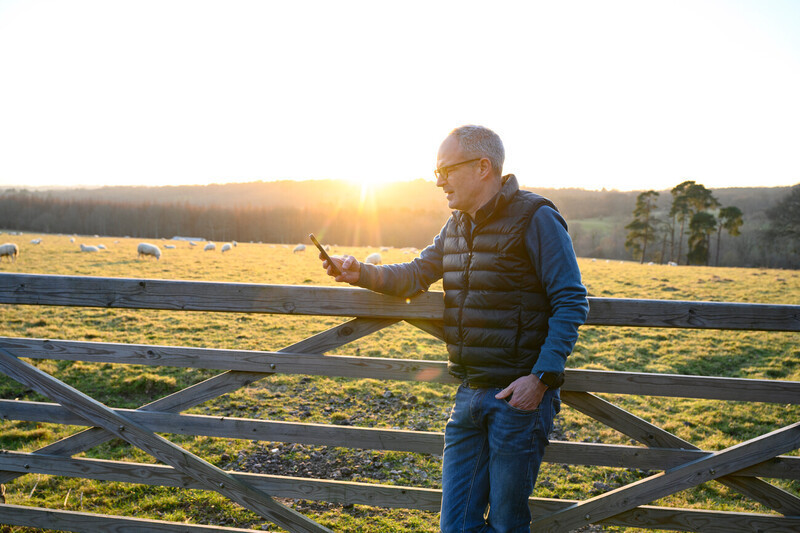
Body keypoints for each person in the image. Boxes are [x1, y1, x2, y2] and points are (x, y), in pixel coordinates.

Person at [319, 125, 589, 533]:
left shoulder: (536, 217)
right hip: (468, 394)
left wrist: (540, 379)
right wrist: (360, 273)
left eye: (446, 170)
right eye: (437, 171)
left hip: (518, 399)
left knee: (507, 525)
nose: (439, 181)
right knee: (456, 525)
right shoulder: (457, 225)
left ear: (483, 167)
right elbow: (415, 275)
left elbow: (570, 300)